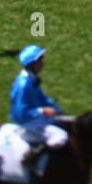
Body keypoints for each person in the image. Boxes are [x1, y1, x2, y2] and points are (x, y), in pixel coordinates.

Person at [11, 45, 69, 177]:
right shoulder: (23, 84)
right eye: (40, 61)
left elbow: (43, 98)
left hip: (34, 117)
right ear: (32, 64)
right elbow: (21, 112)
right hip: (26, 122)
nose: (42, 64)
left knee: (63, 123)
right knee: (60, 137)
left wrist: (58, 111)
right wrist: (42, 111)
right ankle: (31, 158)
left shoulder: (31, 79)